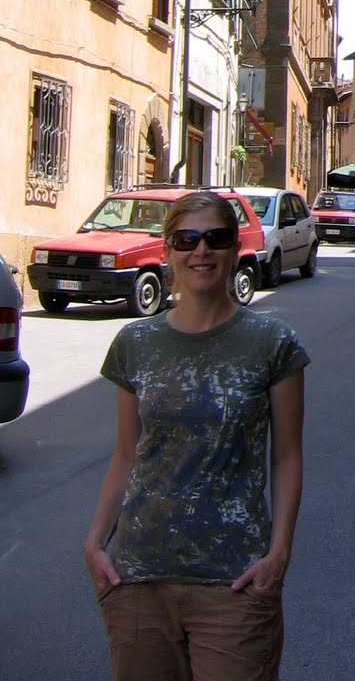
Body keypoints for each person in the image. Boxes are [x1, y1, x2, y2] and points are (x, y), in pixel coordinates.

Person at [84, 190, 308, 681]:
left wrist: (279, 555)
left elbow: (287, 457)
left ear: (236, 248)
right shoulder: (135, 344)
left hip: (234, 581)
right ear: (167, 250)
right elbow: (126, 454)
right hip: (139, 576)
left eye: (215, 238)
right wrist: (95, 544)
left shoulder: (273, 344)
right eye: (186, 239)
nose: (200, 250)